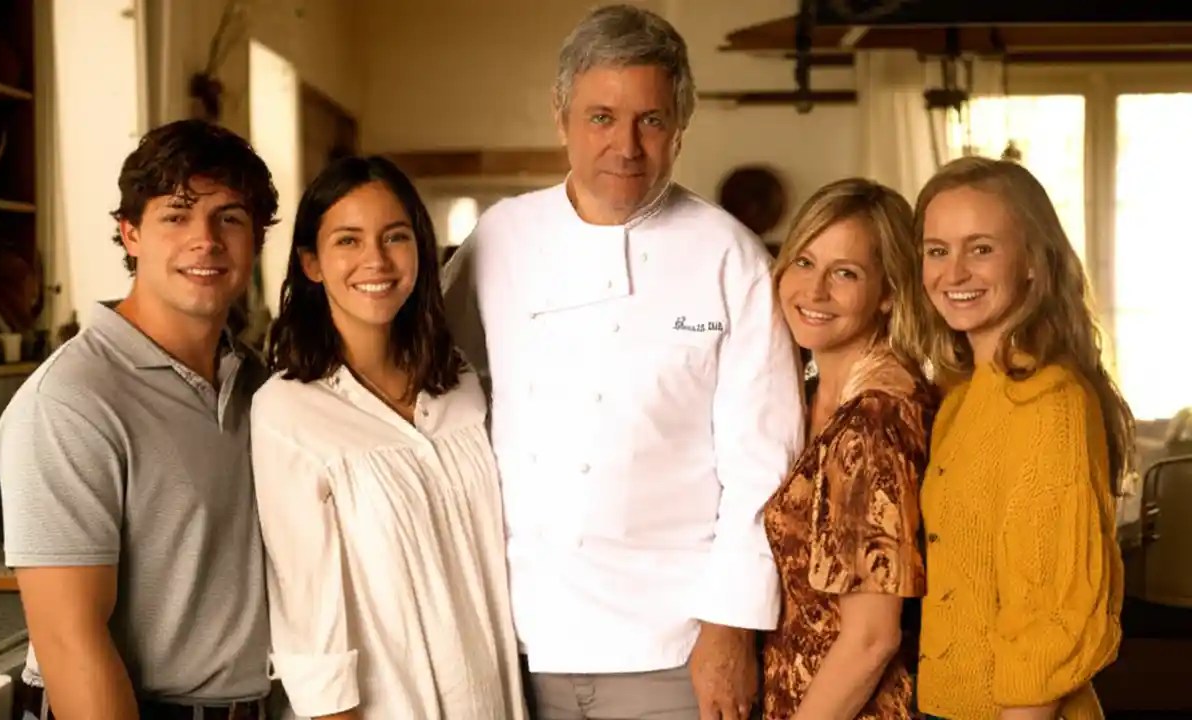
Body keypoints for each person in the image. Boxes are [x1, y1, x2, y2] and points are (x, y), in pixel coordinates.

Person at [442, 5, 804, 718]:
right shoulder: (502, 237)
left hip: (673, 644)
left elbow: (764, 460)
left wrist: (729, 626)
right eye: (602, 117)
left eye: (651, 120)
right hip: (514, 636)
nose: (627, 146)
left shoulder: (730, 256)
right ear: (562, 118)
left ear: (680, 127)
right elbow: (430, 383)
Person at [0, 119, 279, 719]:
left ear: (255, 239)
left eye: (229, 217)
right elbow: (70, 641)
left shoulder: (264, 387)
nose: (205, 240)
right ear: (130, 234)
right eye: (176, 216)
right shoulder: (70, 401)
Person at [251, 156, 526, 720]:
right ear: (312, 264)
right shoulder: (288, 409)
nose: (375, 260)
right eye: (347, 241)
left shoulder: (460, 385)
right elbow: (307, 611)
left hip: (493, 696)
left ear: (421, 250)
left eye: (394, 237)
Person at [914, 157, 1130, 719]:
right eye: (937, 250)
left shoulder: (1049, 402)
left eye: (981, 248)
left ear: (1033, 262)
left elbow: (1049, 612)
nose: (953, 272)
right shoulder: (962, 398)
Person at [761, 178, 934, 719]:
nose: (814, 292)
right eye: (805, 262)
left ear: (887, 293)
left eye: (846, 273)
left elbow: (871, 639)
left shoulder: (871, 421)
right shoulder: (812, 397)